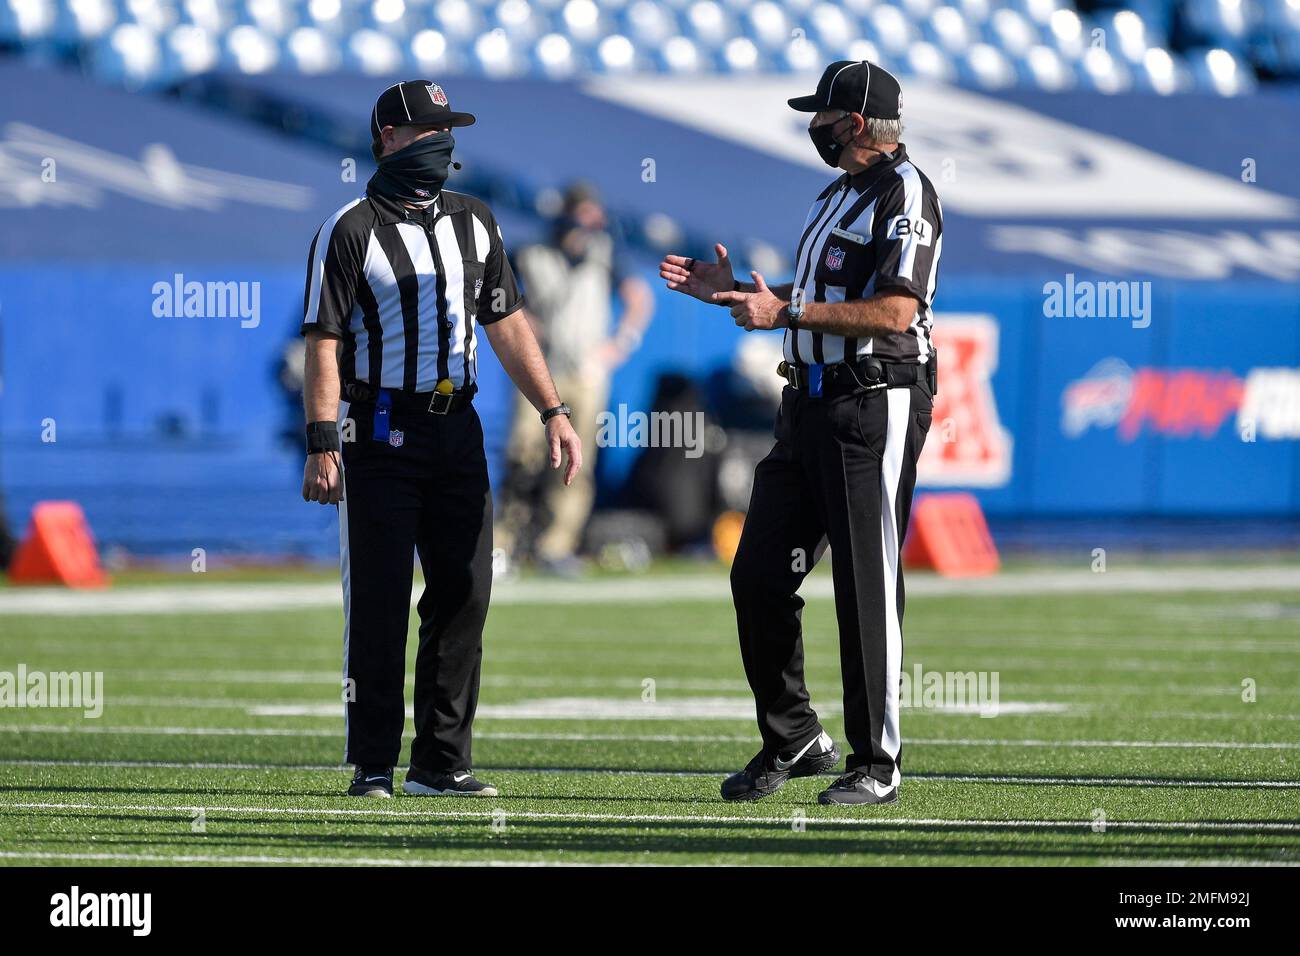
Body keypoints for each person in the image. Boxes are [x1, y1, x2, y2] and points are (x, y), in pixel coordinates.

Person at [659, 61, 942, 806]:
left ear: (853, 125)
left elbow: (896, 311)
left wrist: (782, 316)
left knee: (864, 583)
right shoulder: (840, 193)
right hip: (808, 407)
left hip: (872, 404)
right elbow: (817, 293)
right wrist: (738, 291)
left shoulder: (905, 193)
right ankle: (793, 735)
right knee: (757, 574)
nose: (811, 126)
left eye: (821, 115)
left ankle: (877, 761)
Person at [300, 80, 582, 799]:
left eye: (447, 131)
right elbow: (324, 341)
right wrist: (322, 440)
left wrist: (552, 408)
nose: (441, 143)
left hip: (457, 425)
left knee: (464, 590)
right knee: (379, 598)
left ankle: (440, 760)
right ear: (388, 137)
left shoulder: (474, 220)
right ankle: (371, 763)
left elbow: (509, 322)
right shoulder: (350, 228)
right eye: (427, 131)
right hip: (379, 428)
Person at [495, 182, 653, 576]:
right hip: (539, 372)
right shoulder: (532, 253)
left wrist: (619, 345)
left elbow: (638, 297)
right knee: (524, 455)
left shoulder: (606, 254)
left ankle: (556, 545)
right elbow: (500, 300)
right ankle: (504, 544)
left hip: (586, 373)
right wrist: (528, 328)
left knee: (575, 462)